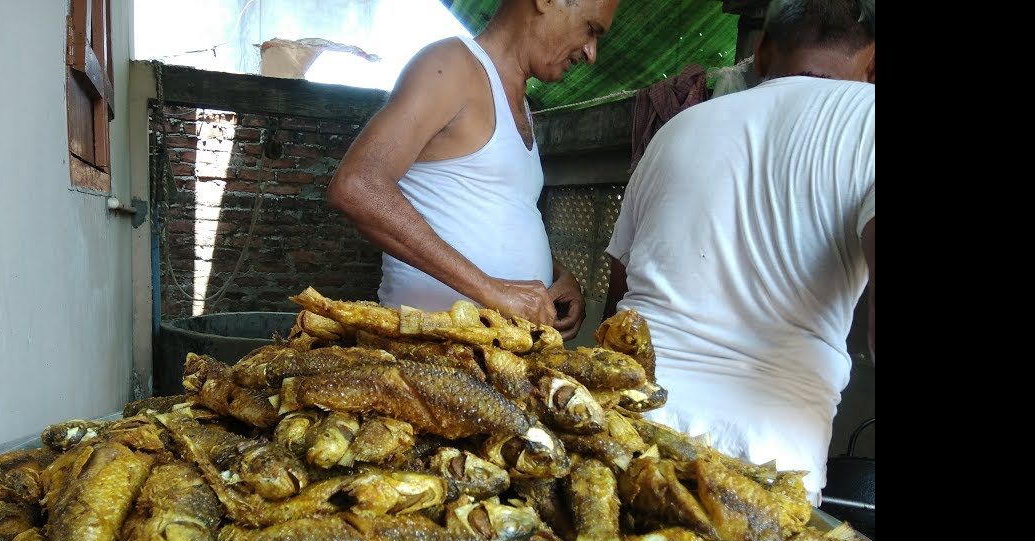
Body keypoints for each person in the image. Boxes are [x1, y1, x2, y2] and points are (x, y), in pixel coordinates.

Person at [602, 0, 875, 506]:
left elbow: (616, 305)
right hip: (766, 473)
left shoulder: (678, 128)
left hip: (625, 434)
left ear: (761, 54)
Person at [327, 0, 624, 341]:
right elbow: (357, 185)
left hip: (495, 353)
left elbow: (482, 217)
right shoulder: (451, 66)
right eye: (591, 29)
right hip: (431, 352)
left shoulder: (522, 104)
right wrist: (491, 291)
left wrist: (558, 274)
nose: (591, 53)